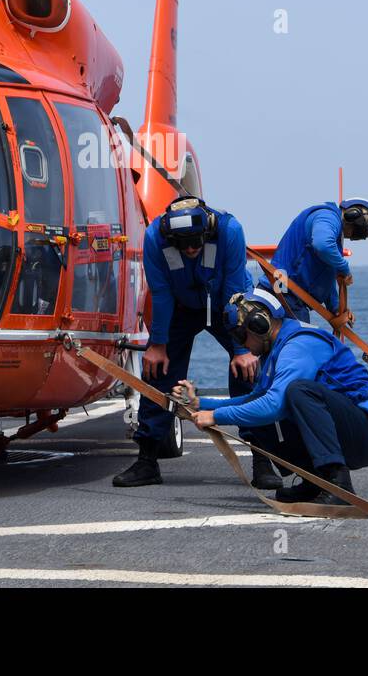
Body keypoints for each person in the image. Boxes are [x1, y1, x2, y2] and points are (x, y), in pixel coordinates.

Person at [113, 195, 281, 489]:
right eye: (183, 244)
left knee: (248, 371)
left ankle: (262, 460)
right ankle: (147, 460)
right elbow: (161, 292)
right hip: (181, 306)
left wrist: (242, 349)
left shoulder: (229, 230)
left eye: (195, 242)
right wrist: (158, 344)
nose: (190, 249)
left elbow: (234, 291)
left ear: (207, 232)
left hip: (229, 303)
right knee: (158, 371)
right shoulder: (154, 237)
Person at [175, 289, 368, 504]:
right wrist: (200, 404)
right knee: (258, 410)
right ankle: (315, 481)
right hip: (347, 430)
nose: (241, 344)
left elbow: (273, 406)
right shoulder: (275, 350)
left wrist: (215, 417)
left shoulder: (298, 345)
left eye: (240, 335)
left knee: (299, 392)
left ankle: (338, 484)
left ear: (259, 324)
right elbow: (255, 401)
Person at [260, 199, 368, 323]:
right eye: (360, 230)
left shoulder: (332, 229)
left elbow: (326, 274)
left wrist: (336, 308)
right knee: (301, 335)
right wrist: (344, 269)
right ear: (353, 215)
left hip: (286, 295)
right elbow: (322, 245)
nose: (354, 236)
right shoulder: (328, 217)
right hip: (283, 293)